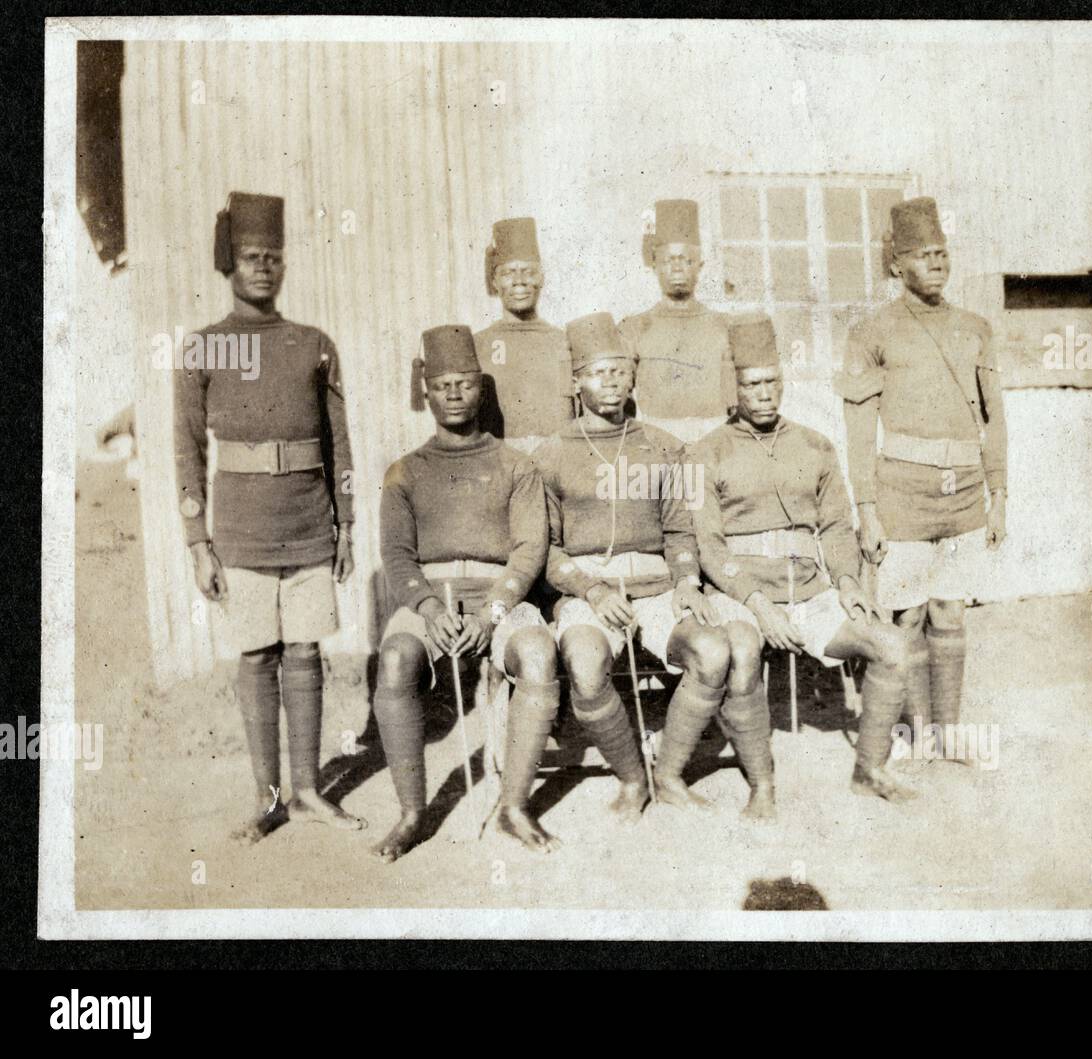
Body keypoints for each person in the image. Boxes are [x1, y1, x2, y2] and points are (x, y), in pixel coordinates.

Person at [174, 191, 363, 844]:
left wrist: (347, 523)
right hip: (243, 533)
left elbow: (340, 441)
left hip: (310, 523)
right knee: (257, 655)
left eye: (274, 258)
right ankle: (268, 795)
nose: (263, 268)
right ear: (230, 263)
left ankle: (309, 789)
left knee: (307, 650)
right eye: (252, 257)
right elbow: (187, 447)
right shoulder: (205, 348)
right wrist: (198, 541)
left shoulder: (313, 344)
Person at [691, 314, 911, 801]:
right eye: (752, 385)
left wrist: (849, 584)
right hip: (741, 594)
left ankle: (870, 769)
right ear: (736, 388)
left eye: (772, 382)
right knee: (744, 656)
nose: (765, 394)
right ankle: (762, 783)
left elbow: (835, 526)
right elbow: (708, 544)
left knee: (891, 645)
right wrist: (758, 604)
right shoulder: (706, 453)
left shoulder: (815, 445)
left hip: (808, 592)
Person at [533, 312, 736, 818]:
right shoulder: (549, 455)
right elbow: (545, 551)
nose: (611, 383)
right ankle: (630, 778)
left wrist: (688, 582)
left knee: (712, 652)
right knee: (583, 662)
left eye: (620, 371)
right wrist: (591, 591)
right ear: (576, 379)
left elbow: (681, 530)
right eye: (599, 373)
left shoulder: (666, 448)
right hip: (590, 592)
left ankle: (667, 774)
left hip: (656, 587)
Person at [376, 325, 559, 859]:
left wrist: (494, 611)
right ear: (425, 391)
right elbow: (397, 556)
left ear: (481, 388)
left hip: (497, 595)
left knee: (537, 652)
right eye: (442, 384)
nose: (454, 394)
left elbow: (529, 550)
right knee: (395, 660)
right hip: (430, 599)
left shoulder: (515, 466)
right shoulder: (404, 472)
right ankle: (412, 813)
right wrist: (430, 609)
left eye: (465, 383)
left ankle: (515, 806)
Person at [835, 197, 1008, 760]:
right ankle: (911, 733)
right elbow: (859, 432)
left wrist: (998, 495)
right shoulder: (871, 333)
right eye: (923, 255)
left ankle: (949, 733)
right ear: (895, 265)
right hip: (902, 495)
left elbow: (993, 418)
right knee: (906, 614)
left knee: (950, 610)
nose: (937, 264)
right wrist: (867, 509)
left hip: (963, 499)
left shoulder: (975, 329)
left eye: (942, 253)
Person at [618, 199, 734, 445]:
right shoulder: (635, 328)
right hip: (656, 447)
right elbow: (620, 400)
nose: (678, 268)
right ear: (655, 265)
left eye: (686, 260)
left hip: (714, 444)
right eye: (669, 260)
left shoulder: (723, 326)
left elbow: (737, 405)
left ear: (699, 264)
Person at [472, 217, 574, 453]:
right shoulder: (479, 345)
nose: (519, 281)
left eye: (528, 271)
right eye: (508, 273)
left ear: (541, 277)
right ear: (495, 281)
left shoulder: (564, 341)